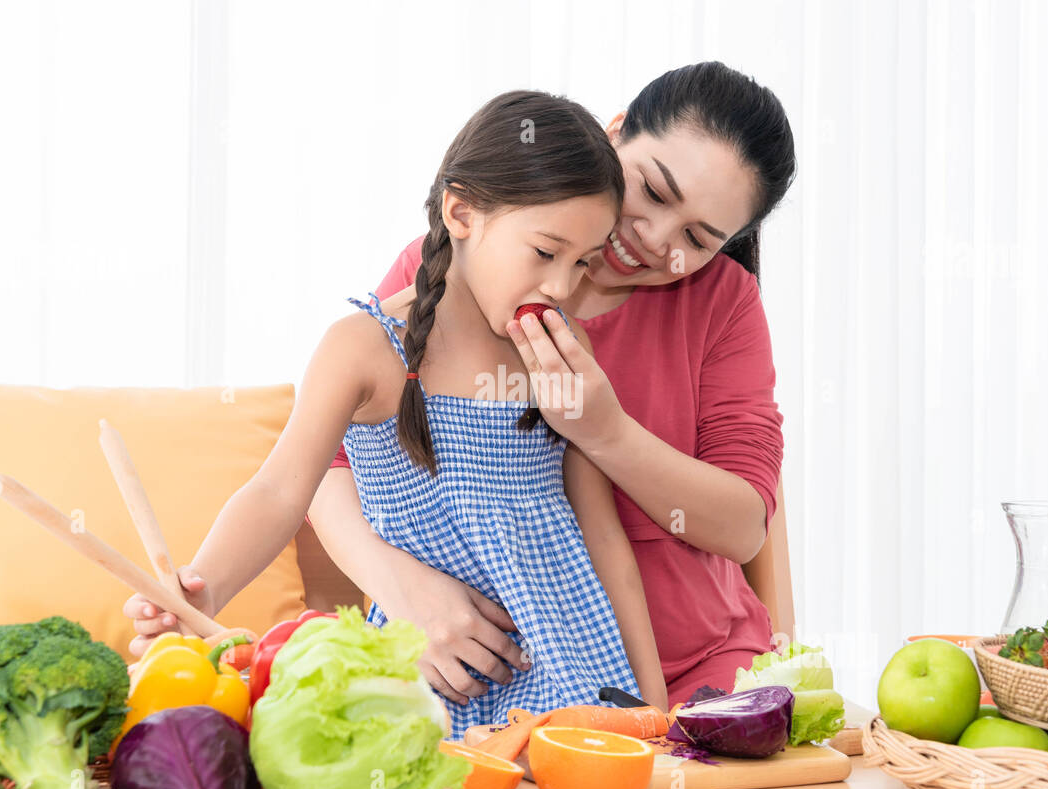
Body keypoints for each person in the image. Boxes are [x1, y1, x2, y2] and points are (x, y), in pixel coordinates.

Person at [124, 89, 666, 738]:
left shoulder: (561, 351)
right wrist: (202, 588)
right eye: (545, 253)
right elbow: (278, 490)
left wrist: (655, 708)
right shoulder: (363, 346)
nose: (560, 287)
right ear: (461, 212)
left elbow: (602, 535)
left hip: (574, 676)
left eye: (582, 263)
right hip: (432, 681)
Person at [307, 62, 798, 707]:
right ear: (614, 132)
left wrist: (607, 433)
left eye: (697, 238)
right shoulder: (458, 268)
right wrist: (406, 595)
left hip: (693, 673)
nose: (654, 240)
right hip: (498, 673)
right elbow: (327, 467)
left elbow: (742, 528)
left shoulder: (723, 303)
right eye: (652, 190)